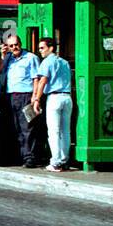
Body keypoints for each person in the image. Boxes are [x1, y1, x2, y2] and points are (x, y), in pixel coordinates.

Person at [0, 33, 44, 167]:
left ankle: (30, 157)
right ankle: (20, 156)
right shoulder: (9, 59)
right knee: (15, 128)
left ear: (20, 44)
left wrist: (35, 97)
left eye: (16, 44)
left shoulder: (30, 58)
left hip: (25, 95)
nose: (14, 47)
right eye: (11, 46)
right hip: (11, 96)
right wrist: (3, 56)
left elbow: (36, 78)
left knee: (27, 127)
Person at [33, 37, 74, 171]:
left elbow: (42, 81)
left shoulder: (47, 62)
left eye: (42, 48)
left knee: (54, 131)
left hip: (54, 97)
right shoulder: (64, 62)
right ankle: (64, 159)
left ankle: (55, 162)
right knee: (65, 131)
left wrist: (37, 99)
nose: (40, 51)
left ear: (51, 48)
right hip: (67, 97)